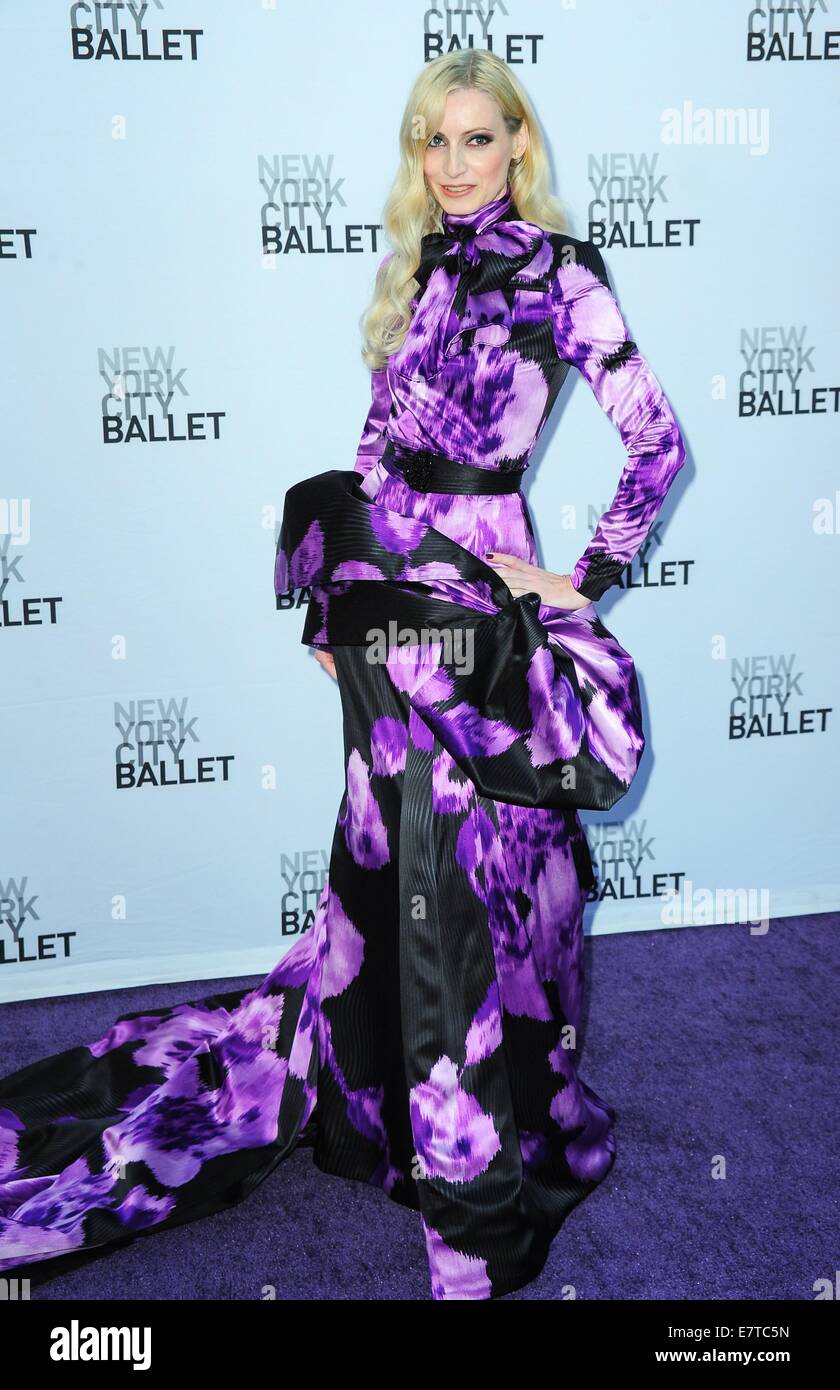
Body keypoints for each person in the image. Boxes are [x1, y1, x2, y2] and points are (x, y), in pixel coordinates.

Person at [0, 51, 685, 1301]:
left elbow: (657, 442)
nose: (455, 162)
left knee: (473, 866)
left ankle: (488, 1150)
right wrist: (332, 599)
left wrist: (580, 578)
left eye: (478, 139)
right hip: (383, 601)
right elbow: (374, 464)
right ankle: (382, 1114)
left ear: (521, 146)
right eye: (434, 141)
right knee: (386, 854)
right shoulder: (418, 268)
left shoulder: (564, 272)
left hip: (477, 598)